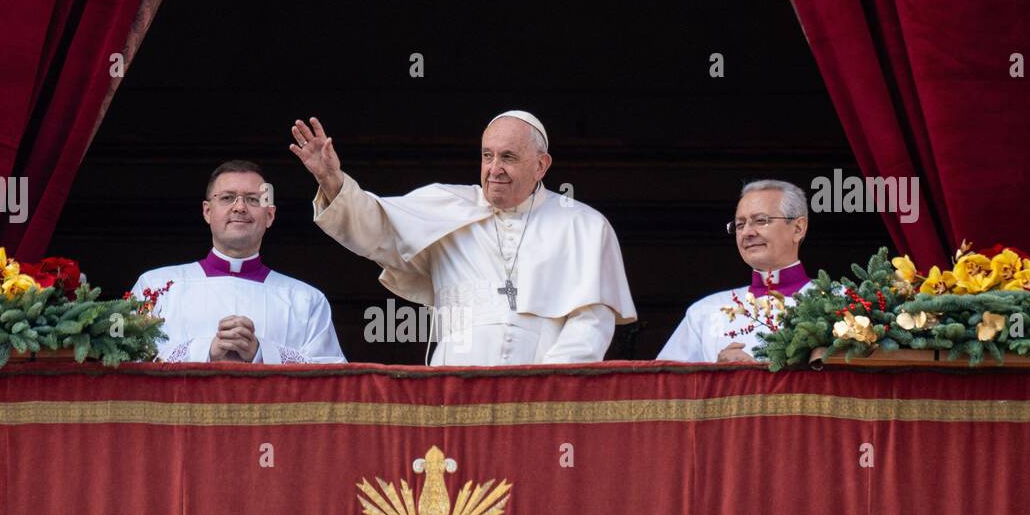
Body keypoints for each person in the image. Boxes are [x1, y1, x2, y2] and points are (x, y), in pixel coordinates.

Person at [290, 112, 636, 365]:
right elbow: (373, 226)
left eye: (509, 157)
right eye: (488, 156)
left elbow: (592, 323)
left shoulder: (585, 226)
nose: (494, 168)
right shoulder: (446, 205)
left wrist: (547, 386)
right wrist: (332, 179)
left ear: (541, 165)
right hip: (452, 393)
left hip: (541, 400)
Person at [131, 160, 346, 364]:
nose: (240, 207)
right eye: (227, 197)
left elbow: (332, 379)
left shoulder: (306, 300)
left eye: (253, 199)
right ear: (207, 211)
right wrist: (205, 350)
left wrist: (262, 352)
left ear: (270, 215)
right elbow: (126, 358)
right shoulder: (154, 286)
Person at [657, 179, 814, 363]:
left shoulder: (841, 306)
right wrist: (719, 376)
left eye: (760, 221)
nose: (747, 232)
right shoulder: (705, 312)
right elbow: (664, 385)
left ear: (797, 228)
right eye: (740, 225)